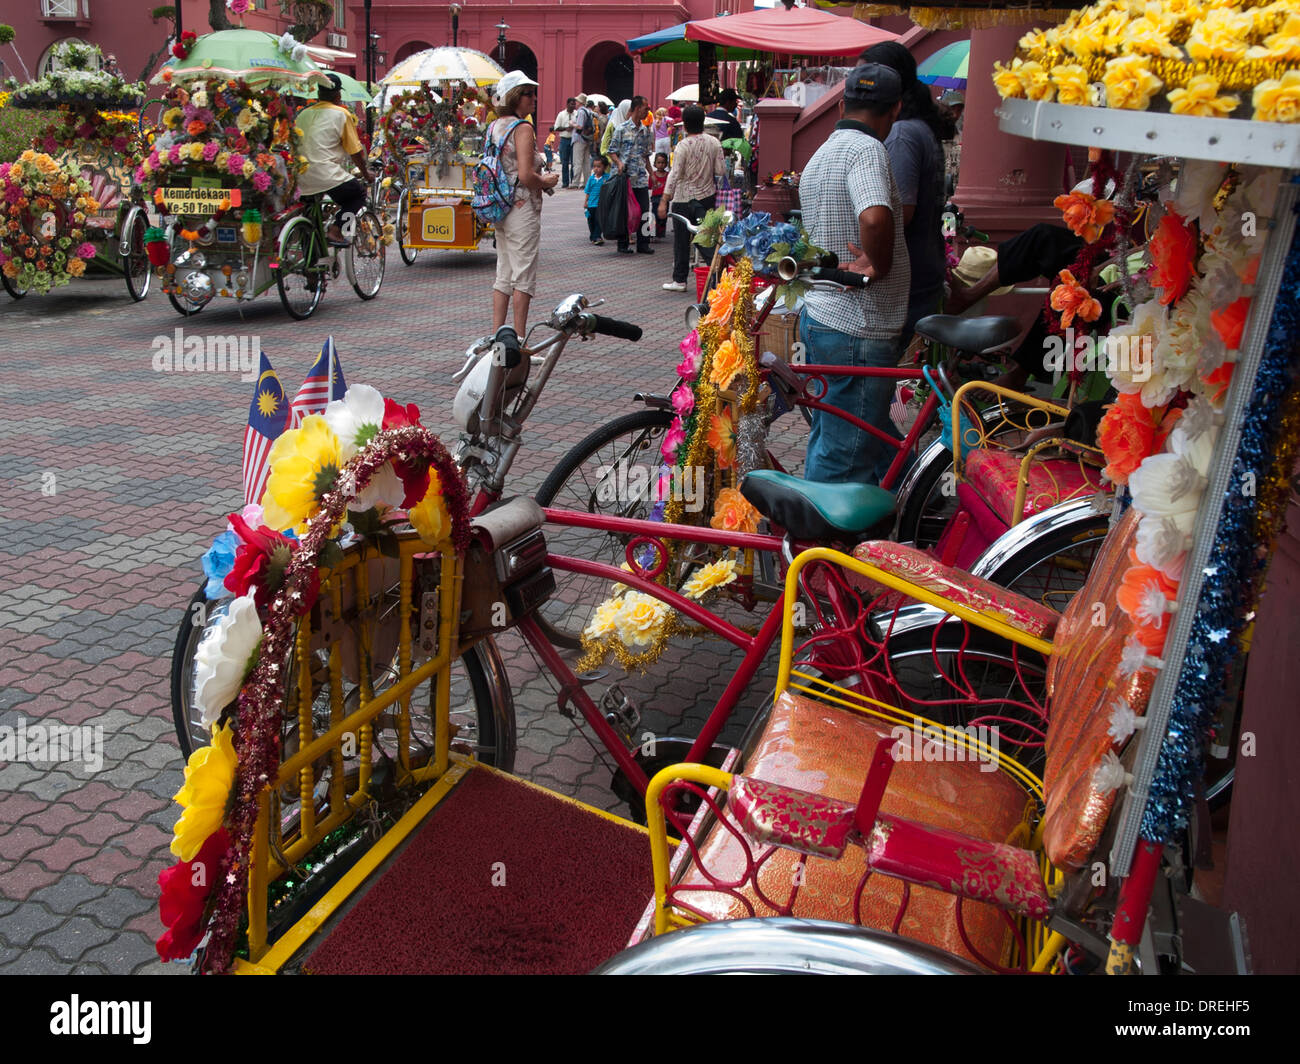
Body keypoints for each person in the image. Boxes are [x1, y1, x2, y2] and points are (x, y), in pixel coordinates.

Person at [798, 63, 910, 485]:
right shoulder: (867, 150)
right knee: (846, 457)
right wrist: (877, 265)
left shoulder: (823, 152)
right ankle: (825, 544)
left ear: (843, 104)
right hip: (857, 325)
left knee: (833, 436)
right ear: (895, 109)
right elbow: (875, 217)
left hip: (825, 316)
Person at [860, 41, 951, 346]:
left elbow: (900, 213)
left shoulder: (902, 134)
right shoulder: (918, 128)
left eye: (865, 77)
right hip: (923, 269)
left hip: (907, 279)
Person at [487, 71, 559, 333]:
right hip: (521, 208)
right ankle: (517, 341)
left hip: (500, 206)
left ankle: (498, 337)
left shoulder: (494, 126)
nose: (534, 98)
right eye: (528, 93)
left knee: (503, 274)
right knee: (523, 277)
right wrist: (547, 181)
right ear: (515, 97)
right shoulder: (523, 127)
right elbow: (527, 175)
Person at [294, 72, 369, 247]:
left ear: (318, 94)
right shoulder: (341, 114)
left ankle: (311, 266)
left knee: (310, 217)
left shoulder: (302, 115)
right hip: (325, 174)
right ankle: (336, 230)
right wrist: (366, 173)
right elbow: (355, 151)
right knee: (357, 194)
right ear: (338, 95)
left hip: (301, 176)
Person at [657, 104, 724, 291]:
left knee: (681, 240)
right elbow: (721, 170)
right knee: (704, 237)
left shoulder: (683, 145)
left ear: (684, 124)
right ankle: (718, 273)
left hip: (683, 198)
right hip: (706, 196)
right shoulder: (714, 143)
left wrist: (664, 200)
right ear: (703, 122)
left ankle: (679, 280)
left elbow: (675, 174)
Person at [607, 95, 656, 255]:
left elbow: (646, 155)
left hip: (640, 177)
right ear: (636, 108)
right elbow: (611, 150)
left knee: (644, 210)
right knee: (624, 211)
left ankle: (644, 244)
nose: (647, 111)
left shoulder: (646, 131)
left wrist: (652, 174)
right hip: (624, 178)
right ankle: (623, 244)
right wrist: (619, 163)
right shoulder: (621, 129)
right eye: (645, 108)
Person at [550, 97, 576, 188]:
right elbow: (556, 127)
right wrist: (566, 128)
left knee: (574, 162)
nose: (573, 106)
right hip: (564, 139)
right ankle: (565, 182)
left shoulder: (576, 114)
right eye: (572, 104)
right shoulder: (561, 114)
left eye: (574, 104)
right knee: (564, 162)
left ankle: (573, 181)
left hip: (574, 140)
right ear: (567, 104)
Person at [571, 94, 596, 189]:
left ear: (580, 102)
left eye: (577, 101)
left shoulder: (581, 112)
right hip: (587, 139)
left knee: (577, 161)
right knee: (586, 162)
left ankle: (575, 182)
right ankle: (587, 182)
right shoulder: (588, 111)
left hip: (579, 138)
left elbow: (580, 126)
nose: (575, 103)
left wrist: (572, 124)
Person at [584, 155, 609, 246]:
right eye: (594, 166)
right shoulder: (591, 178)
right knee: (591, 221)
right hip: (591, 204)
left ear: (605, 167)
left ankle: (597, 236)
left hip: (601, 204)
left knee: (599, 221)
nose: (596, 169)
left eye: (599, 167)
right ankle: (593, 236)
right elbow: (588, 191)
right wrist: (586, 201)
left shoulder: (607, 177)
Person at [648, 151, 669, 238]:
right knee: (654, 216)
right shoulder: (653, 176)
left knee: (663, 216)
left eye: (663, 163)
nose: (661, 165)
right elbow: (649, 186)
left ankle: (660, 233)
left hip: (665, 199)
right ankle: (652, 234)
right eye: (659, 162)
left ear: (666, 164)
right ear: (655, 164)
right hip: (655, 199)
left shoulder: (668, 175)